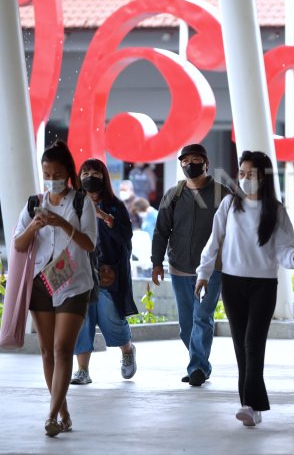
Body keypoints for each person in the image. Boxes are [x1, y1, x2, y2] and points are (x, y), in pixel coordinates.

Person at [195, 151, 294, 427]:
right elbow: (213, 242)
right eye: (241, 174)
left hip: (264, 286)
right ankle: (252, 406)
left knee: (253, 344)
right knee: (241, 347)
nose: (245, 179)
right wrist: (203, 275)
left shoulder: (276, 211)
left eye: (251, 174)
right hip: (232, 283)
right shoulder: (230, 205)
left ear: (264, 177)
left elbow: (284, 250)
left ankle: (248, 404)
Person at [13, 141, 98, 437]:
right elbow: (18, 245)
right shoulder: (33, 203)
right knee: (47, 351)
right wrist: (33, 226)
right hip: (40, 282)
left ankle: (50, 416)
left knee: (63, 348)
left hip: (73, 283)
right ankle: (62, 412)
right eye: (47, 173)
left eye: (57, 173)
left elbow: (89, 244)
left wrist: (63, 223)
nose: (52, 179)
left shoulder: (81, 202)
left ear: (68, 172)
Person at [151, 143, 227, 386]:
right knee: (186, 325)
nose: (190, 164)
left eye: (195, 160)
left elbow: (234, 230)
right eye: (185, 161)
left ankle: (196, 368)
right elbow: (161, 230)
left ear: (206, 164)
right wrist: (156, 262)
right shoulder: (173, 194)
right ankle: (202, 363)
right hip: (179, 268)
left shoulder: (222, 193)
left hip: (212, 269)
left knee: (202, 318)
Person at [70, 159, 138, 385]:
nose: (90, 177)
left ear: (104, 177)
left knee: (110, 317)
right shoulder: (74, 204)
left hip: (108, 272)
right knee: (82, 319)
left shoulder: (115, 205)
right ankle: (82, 369)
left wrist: (107, 219)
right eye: (85, 173)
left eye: (95, 173)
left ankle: (127, 349)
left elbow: (125, 237)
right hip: (80, 272)